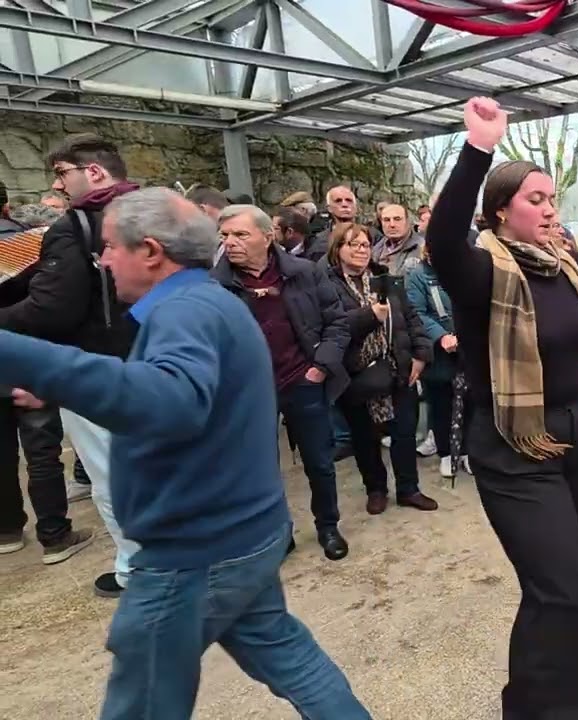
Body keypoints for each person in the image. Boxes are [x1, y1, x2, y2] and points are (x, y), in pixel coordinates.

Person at [0, 188, 369, 718]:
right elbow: (185, 392)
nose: (103, 261)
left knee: (141, 701)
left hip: (197, 551)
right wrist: (64, 388)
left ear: (151, 251)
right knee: (290, 657)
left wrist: (23, 356)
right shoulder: (207, 301)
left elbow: (171, 400)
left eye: (110, 247)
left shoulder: (186, 312)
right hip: (239, 533)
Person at [428, 96, 578, 719]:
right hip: (514, 443)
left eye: (553, 198)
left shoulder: (563, 266)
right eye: (536, 199)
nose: (551, 208)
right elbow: (442, 239)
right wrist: (478, 149)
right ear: (501, 211)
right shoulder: (481, 272)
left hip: (577, 430)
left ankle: (564, 689)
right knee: (561, 591)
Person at [2, 133, 139, 598]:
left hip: (94, 370)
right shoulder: (157, 210)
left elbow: (51, 308)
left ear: (93, 172)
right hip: (157, 361)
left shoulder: (74, 226)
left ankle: (136, 567)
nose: (57, 185)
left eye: (62, 173)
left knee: (111, 476)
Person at [212, 204, 352, 560]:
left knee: (319, 462)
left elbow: (337, 322)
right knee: (263, 470)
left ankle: (328, 526)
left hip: (303, 381)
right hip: (253, 393)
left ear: (267, 236)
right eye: (225, 235)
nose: (230, 242)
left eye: (240, 234)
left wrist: (320, 367)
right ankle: (278, 532)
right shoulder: (215, 285)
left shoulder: (304, 272)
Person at [325, 221, 437, 515]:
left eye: (365, 244)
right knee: (364, 437)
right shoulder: (326, 285)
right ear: (338, 249)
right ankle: (376, 489)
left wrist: (421, 355)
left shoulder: (386, 279)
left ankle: (409, 489)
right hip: (356, 376)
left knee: (404, 432)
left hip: (397, 368)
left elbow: (412, 319)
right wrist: (369, 316)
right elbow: (331, 327)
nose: (361, 250)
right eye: (353, 244)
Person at [406, 234, 468, 476]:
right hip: (438, 352)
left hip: (466, 347)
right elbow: (417, 312)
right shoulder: (418, 276)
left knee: (470, 402)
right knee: (441, 404)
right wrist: (441, 336)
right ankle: (446, 452)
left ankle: (467, 452)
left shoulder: (463, 272)